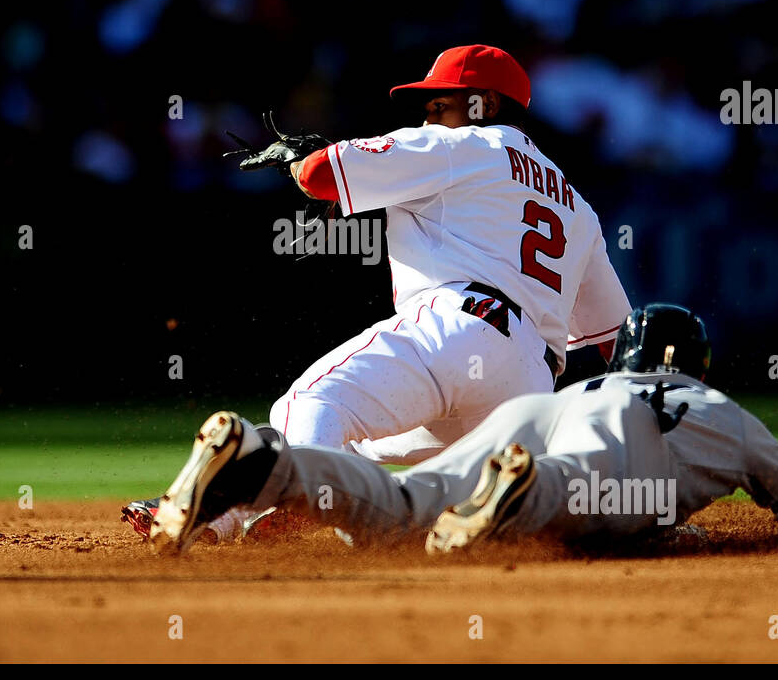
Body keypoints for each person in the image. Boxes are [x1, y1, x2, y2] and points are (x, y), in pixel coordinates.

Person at [125, 44, 631, 540]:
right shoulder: (577, 206)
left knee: (307, 404)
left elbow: (321, 173)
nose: (429, 118)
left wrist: (300, 162)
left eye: (440, 105)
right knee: (352, 448)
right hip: (526, 387)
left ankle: (314, 508)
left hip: (459, 327)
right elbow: (616, 344)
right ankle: (223, 518)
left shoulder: (462, 145)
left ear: (488, 105)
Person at [148, 303, 778, 555]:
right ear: (700, 365)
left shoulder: (597, 382)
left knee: (401, 508)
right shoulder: (722, 413)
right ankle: (521, 494)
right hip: (606, 450)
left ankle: (265, 461)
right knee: (591, 500)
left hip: (536, 414)